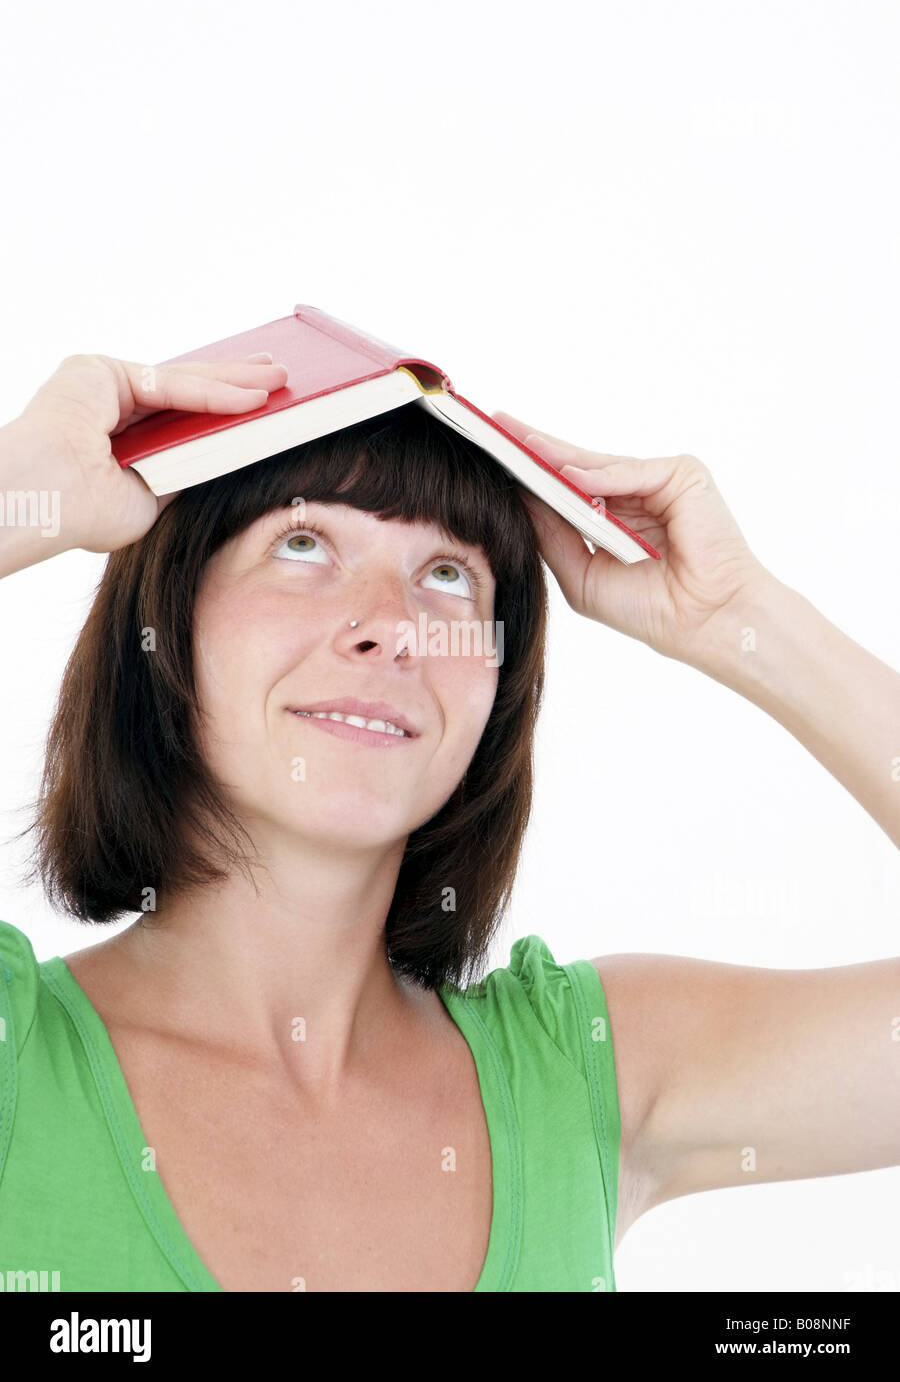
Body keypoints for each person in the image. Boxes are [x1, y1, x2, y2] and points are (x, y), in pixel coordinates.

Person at [0, 351, 896, 1293]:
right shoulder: (20, 1059)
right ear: (168, 618)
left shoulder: (586, 1073)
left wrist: (735, 616)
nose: (392, 624)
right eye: (303, 545)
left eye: (446, 576)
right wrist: (22, 489)